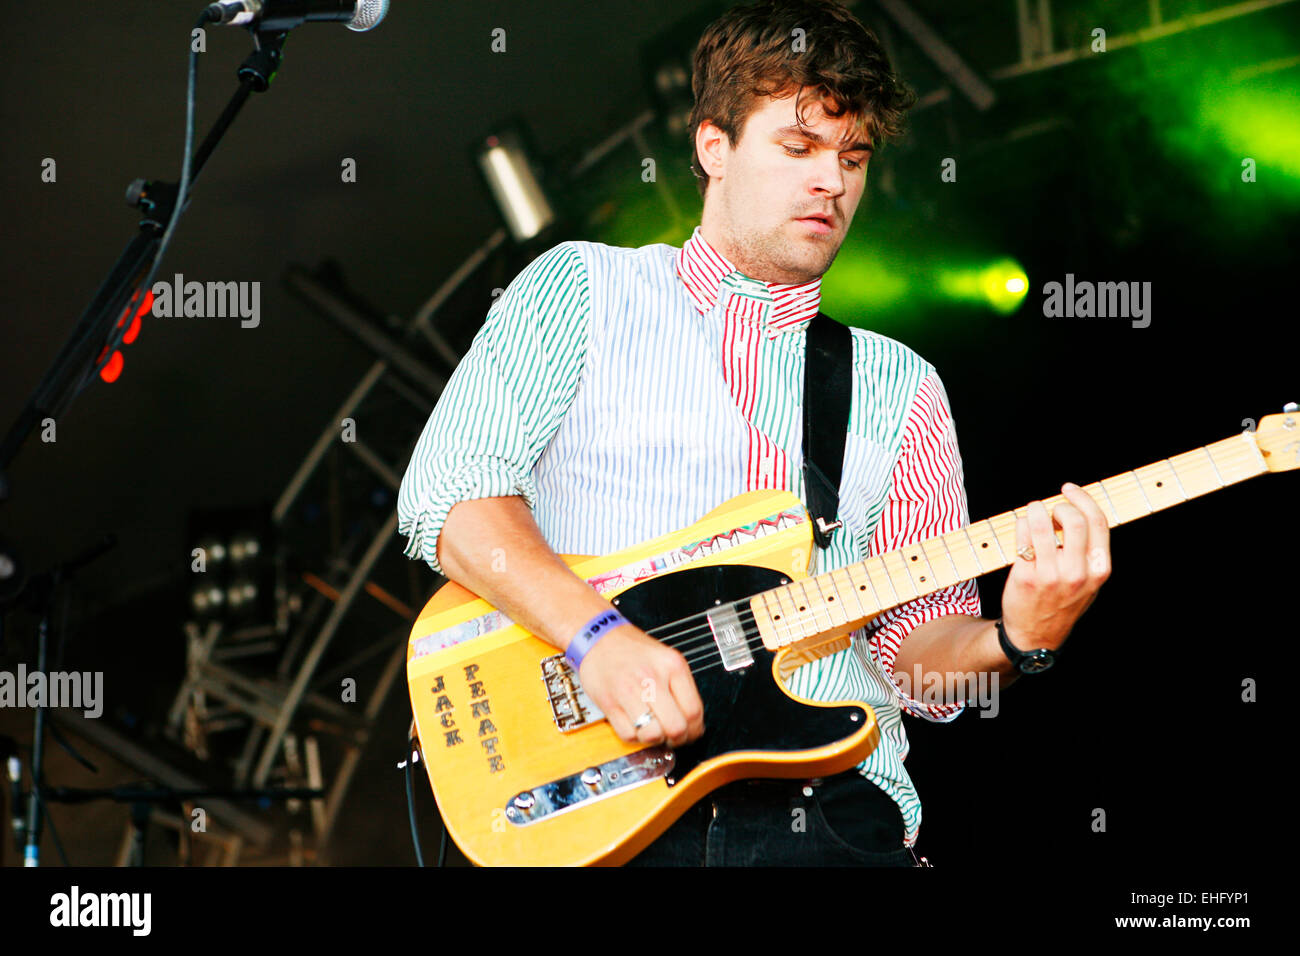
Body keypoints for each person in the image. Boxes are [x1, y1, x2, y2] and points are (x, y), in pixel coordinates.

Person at [397, 0, 1112, 866]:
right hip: (609, 803)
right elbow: (449, 496)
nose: (832, 182)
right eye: (799, 148)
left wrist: (1020, 639)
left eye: (853, 158)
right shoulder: (583, 289)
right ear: (713, 149)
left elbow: (920, 666)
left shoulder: (901, 385)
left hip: (831, 821)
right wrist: (599, 641)